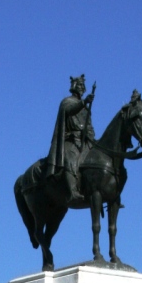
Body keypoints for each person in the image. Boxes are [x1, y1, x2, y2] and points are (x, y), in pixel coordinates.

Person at [45, 75, 96, 203]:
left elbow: (89, 126)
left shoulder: (85, 108)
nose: (82, 88)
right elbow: (70, 110)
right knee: (70, 159)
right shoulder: (67, 102)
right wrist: (83, 102)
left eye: (83, 86)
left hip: (85, 142)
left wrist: (92, 137)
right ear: (73, 87)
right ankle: (73, 192)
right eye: (79, 85)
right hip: (70, 141)